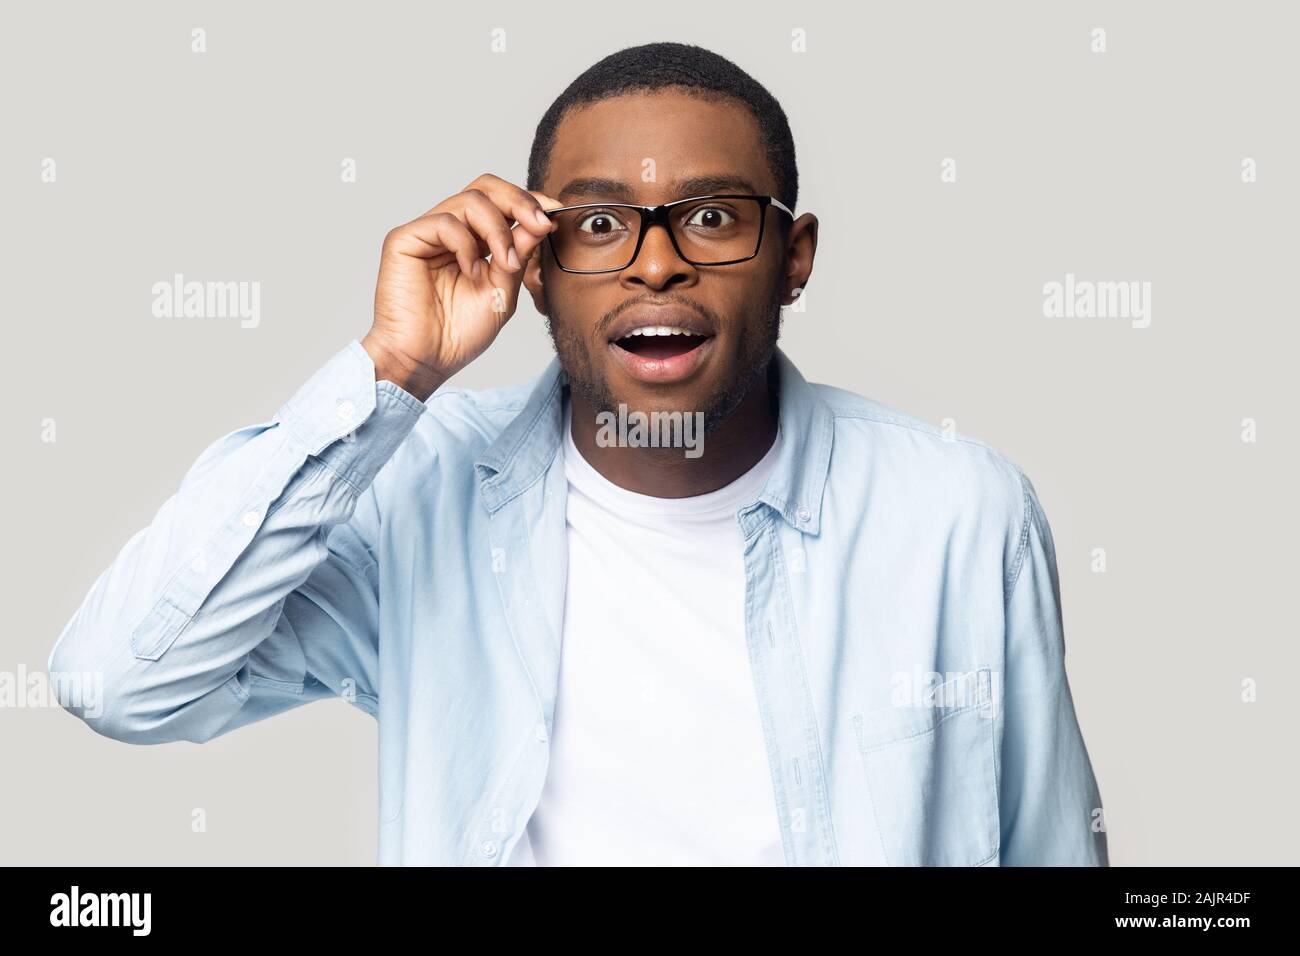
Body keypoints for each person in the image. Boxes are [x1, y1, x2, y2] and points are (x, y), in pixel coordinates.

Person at [48, 41, 1108, 866]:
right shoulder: (421, 488)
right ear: (537, 268)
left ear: (794, 258)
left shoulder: (957, 511)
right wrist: (390, 372)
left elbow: (1055, 846)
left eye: (709, 216)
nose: (655, 263)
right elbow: (119, 680)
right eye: (597, 225)